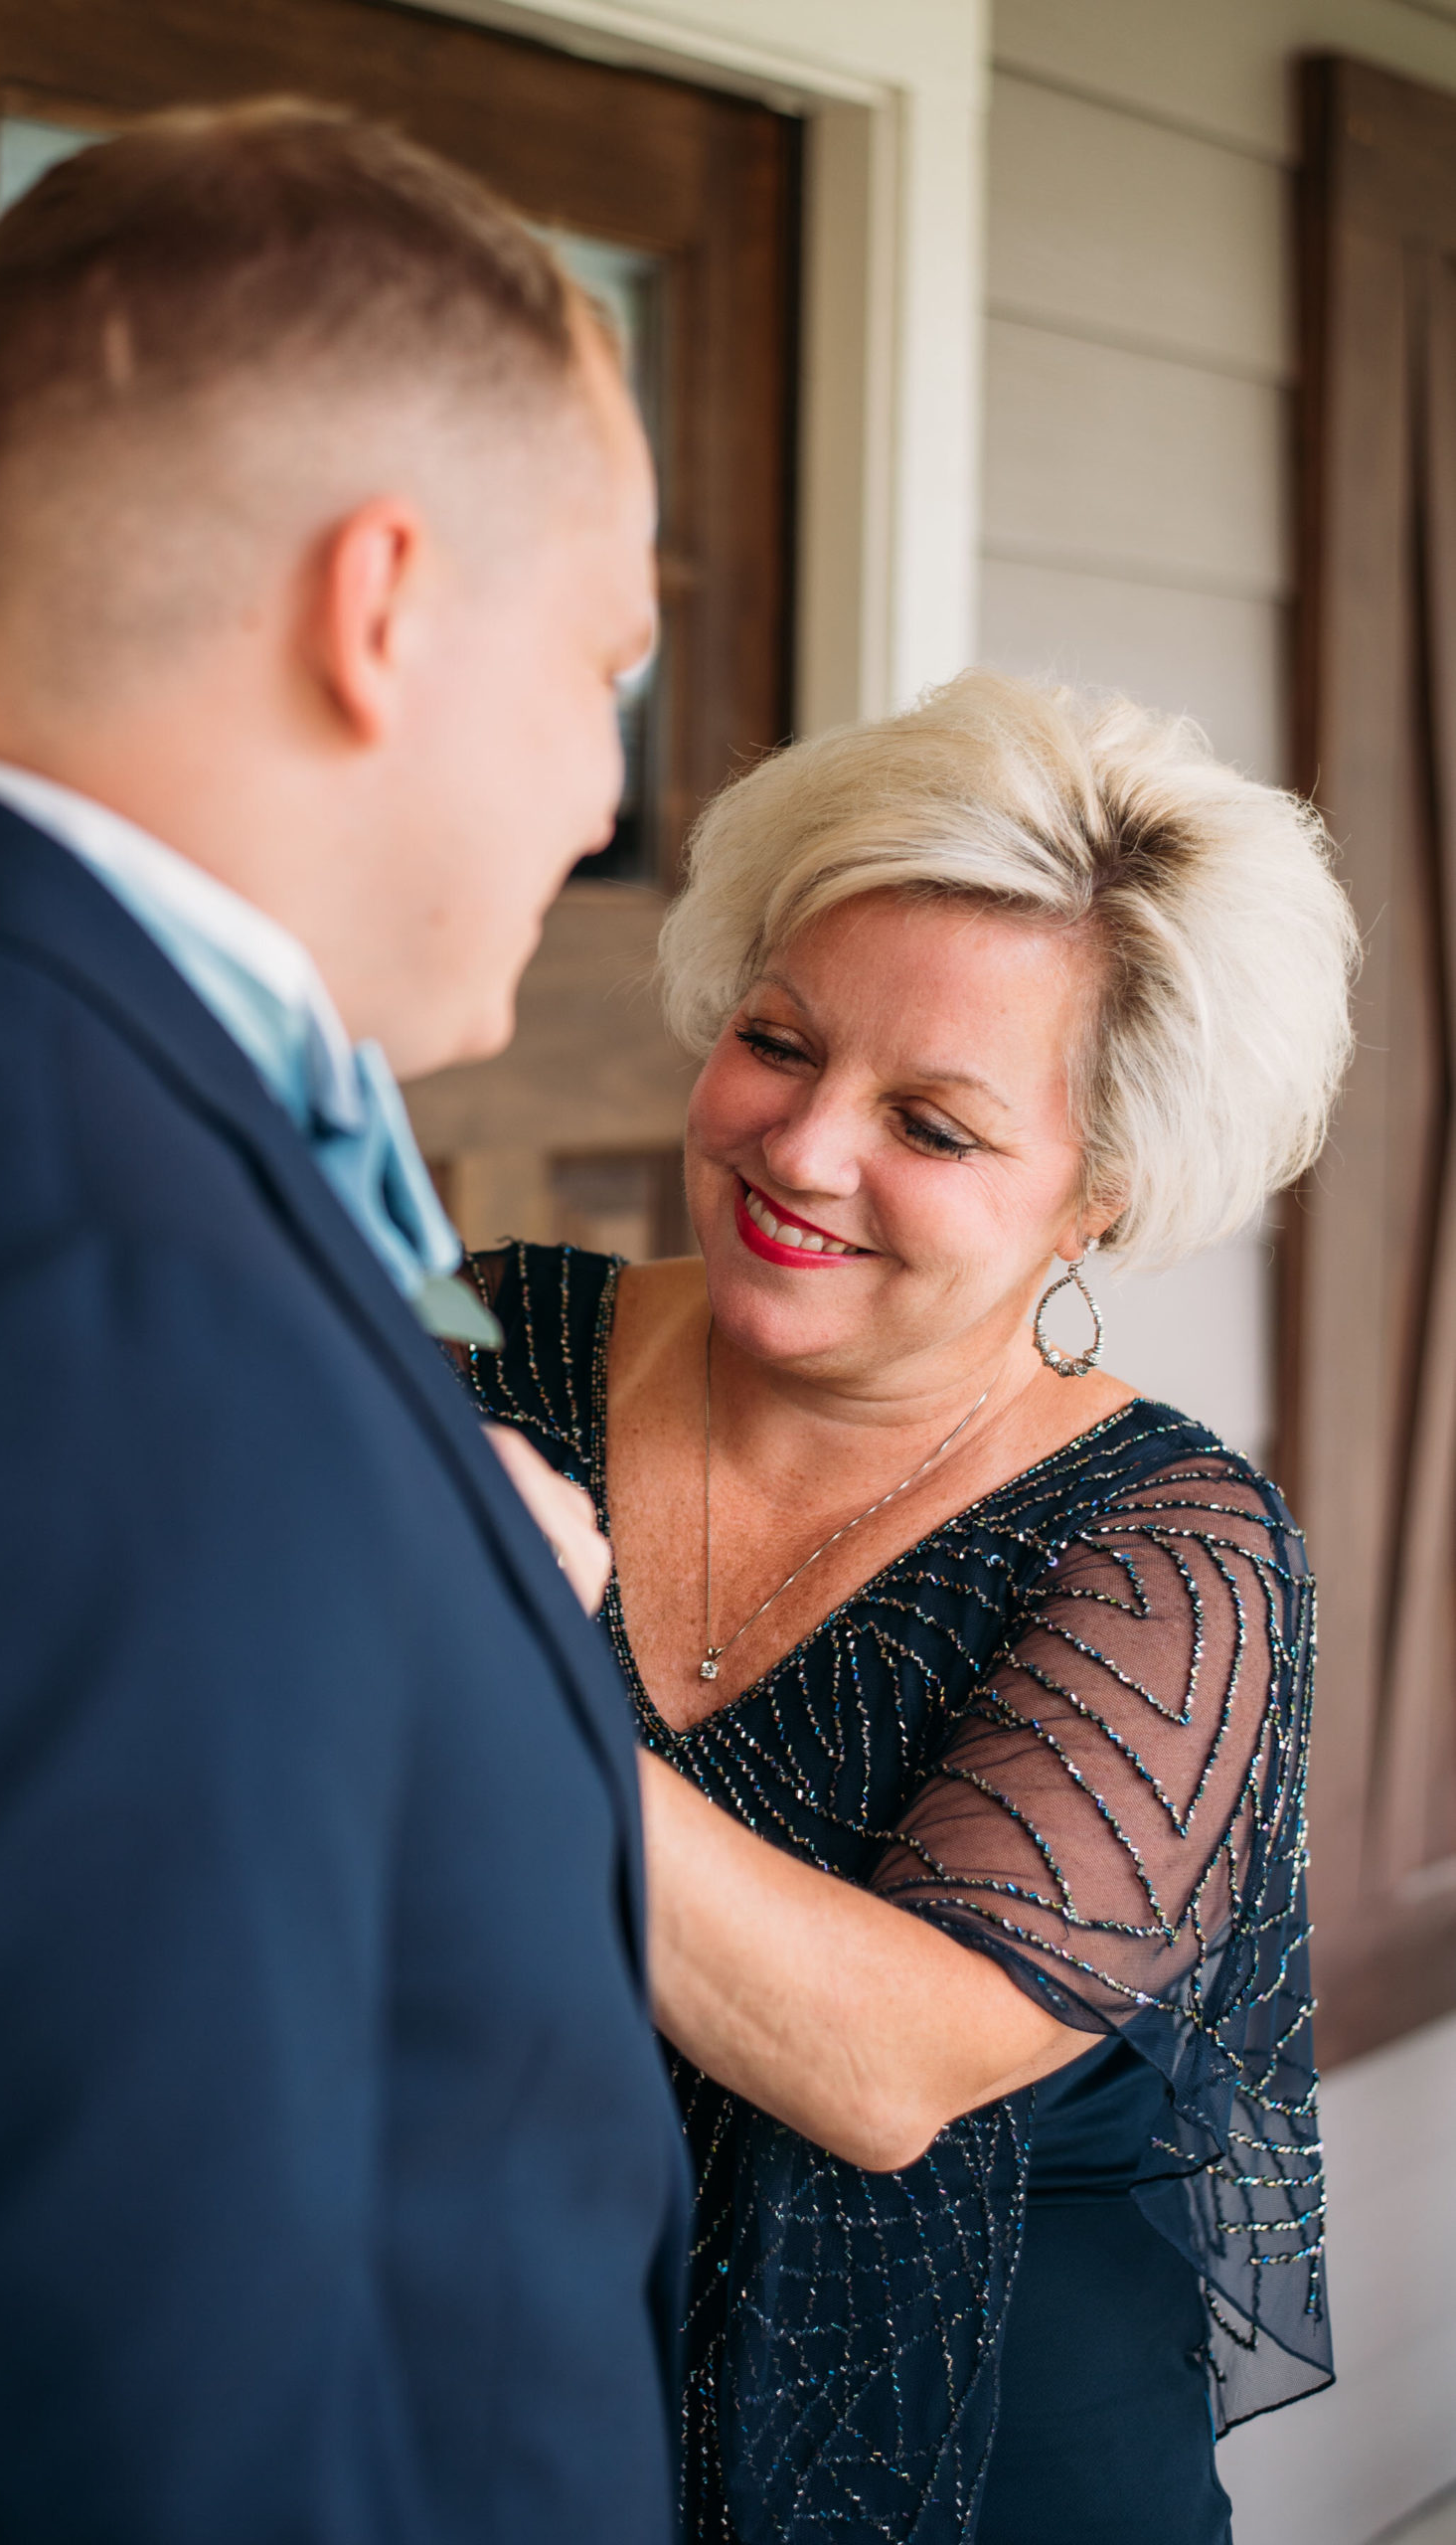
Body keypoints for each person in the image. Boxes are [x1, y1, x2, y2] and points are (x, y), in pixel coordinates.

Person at [0, 103, 686, 2541]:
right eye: (610, 664)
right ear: (374, 606)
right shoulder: (99, 1295)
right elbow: (79, 2414)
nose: (608, 792)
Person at [460, 670, 1357, 2545]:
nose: (800, 1150)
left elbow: (882, 2069)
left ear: (1092, 1197)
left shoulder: (1166, 1558)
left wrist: (508, 1660)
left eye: (932, 1128)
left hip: (971, 2471)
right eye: (779, 1043)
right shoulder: (470, 1350)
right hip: (465, 2416)